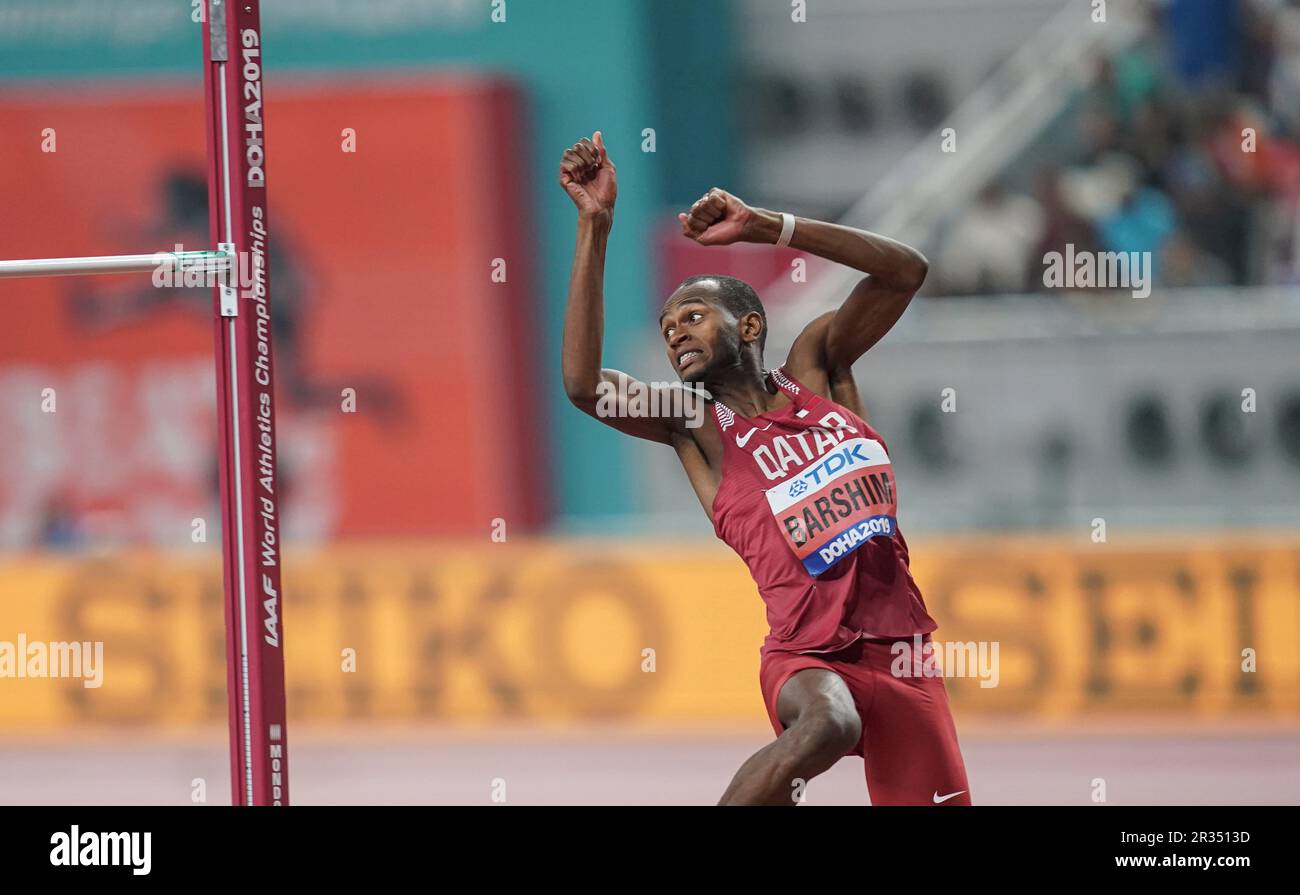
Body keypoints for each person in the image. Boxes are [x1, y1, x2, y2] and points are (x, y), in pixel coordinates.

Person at [559, 132, 970, 806]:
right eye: (666, 331)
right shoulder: (694, 424)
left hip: (906, 657)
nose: (676, 335)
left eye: (693, 316)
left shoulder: (819, 366)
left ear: (750, 326)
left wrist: (767, 227)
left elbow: (906, 271)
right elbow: (583, 386)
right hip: (807, 659)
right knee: (830, 723)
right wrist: (594, 225)